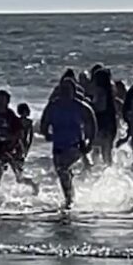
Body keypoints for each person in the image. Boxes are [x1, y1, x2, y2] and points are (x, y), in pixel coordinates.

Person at [40, 78, 97, 208]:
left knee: (63, 169)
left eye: (68, 90)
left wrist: (90, 141)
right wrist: (46, 133)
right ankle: (69, 198)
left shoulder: (80, 107)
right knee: (62, 174)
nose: (65, 93)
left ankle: (69, 201)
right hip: (58, 146)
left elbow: (92, 123)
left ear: (73, 91)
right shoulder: (53, 106)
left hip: (75, 145)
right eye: (63, 90)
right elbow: (44, 122)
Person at [0, 90, 38, 194]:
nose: (0, 102)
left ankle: (34, 185)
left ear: (7, 102)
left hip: (13, 147)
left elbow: (19, 134)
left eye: (3, 100)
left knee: (19, 177)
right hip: (1, 147)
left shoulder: (11, 115)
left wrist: (16, 145)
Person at [89, 67, 118, 164]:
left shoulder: (100, 91)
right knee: (107, 152)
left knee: (92, 148)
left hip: (102, 124)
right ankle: (109, 172)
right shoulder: (110, 90)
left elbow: (100, 107)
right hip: (111, 123)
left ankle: (94, 169)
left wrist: (88, 105)